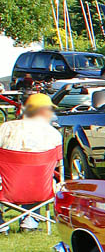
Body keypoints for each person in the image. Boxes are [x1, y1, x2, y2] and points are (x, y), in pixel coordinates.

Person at [0, 92, 63, 231]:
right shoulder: (54, 134)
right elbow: (59, 165)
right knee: (38, 176)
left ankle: (1, 226)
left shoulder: (5, 129)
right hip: (41, 189)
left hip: (6, 188)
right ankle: (30, 222)